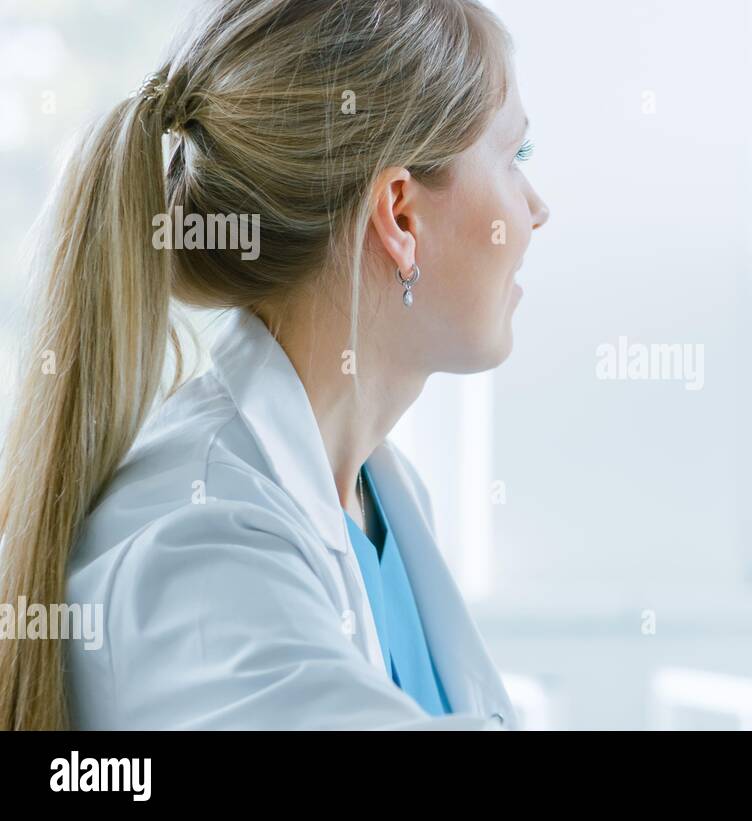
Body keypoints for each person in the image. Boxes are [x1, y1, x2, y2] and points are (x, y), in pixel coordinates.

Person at [0, 0, 548, 730]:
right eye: (516, 157)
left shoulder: (380, 494)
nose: (536, 209)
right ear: (401, 216)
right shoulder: (201, 545)